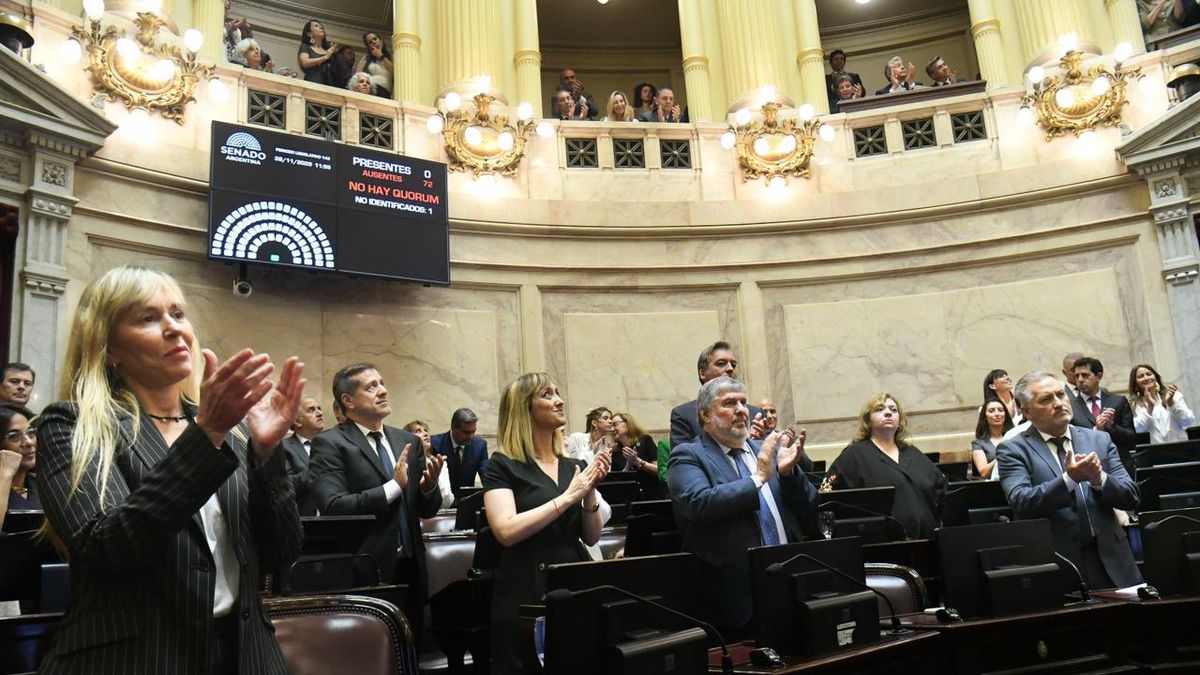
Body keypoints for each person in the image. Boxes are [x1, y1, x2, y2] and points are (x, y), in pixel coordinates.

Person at [36, 265, 304, 674]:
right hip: (130, 660)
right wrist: (207, 432)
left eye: (178, 314)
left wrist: (268, 455)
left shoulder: (231, 430)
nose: (174, 329)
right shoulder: (70, 424)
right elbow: (107, 547)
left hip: (243, 656)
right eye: (147, 318)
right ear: (108, 347)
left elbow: (280, 553)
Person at [667, 376, 817, 635]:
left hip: (789, 581)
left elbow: (810, 506)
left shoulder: (767, 450)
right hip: (734, 595)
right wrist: (756, 478)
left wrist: (788, 475)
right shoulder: (688, 456)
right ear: (705, 415)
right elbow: (698, 504)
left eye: (743, 402)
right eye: (728, 403)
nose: (740, 409)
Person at [483, 372, 611, 673]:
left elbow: (591, 538)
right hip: (524, 588)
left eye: (558, 392)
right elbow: (506, 531)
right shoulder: (502, 465)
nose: (560, 400)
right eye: (548, 394)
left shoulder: (573, 465)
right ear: (524, 408)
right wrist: (569, 497)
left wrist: (590, 488)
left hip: (570, 585)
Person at [310, 362, 443, 641]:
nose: (383, 391)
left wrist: (429, 488)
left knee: (412, 650)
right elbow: (334, 507)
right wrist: (393, 487)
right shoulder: (330, 443)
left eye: (382, 383)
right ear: (348, 401)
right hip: (365, 570)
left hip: (411, 566)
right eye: (371, 387)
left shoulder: (407, 441)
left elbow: (425, 508)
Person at [998, 370, 1141, 590]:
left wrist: (1099, 479)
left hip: (1115, 562)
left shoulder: (1099, 439)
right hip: (1058, 565)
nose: (1058, 403)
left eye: (1061, 395)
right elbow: (1021, 502)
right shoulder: (1014, 449)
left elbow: (1131, 496)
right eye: (1046, 399)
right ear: (1026, 411)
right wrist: (1069, 479)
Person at [827, 393, 946, 539]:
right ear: (868, 420)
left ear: (900, 421)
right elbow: (831, 496)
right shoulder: (854, 455)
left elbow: (941, 488)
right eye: (879, 409)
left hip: (927, 543)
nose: (888, 412)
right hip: (882, 545)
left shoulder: (911, 452)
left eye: (893, 410)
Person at [669, 341, 761, 449]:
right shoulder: (684, 415)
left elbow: (774, 459)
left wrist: (763, 442)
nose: (730, 368)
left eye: (733, 365)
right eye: (721, 363)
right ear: (702, 373)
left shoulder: (756, 414)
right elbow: (683, 460)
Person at [1070, 356, 1137, 472]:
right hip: (1088, 470)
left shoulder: (1118, 401)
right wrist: (1096, 430)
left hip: (1121, 468)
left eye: (1085, 375)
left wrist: (1111, 427)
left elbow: (1132, 439)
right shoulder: (1069, 406)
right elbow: (1070, 441)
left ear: (1099, 376)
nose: (1080, 380)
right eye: (1077, 376)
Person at [430, 407, 489, 499]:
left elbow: (486, 475)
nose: (471, 436)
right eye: (466, 432)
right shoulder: (434, 444)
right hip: (440, 503)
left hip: (466, 503)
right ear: (453, 427)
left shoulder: (479, 446)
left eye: (473, 431)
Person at [1129, 363, 1195, 444]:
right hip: (1153, 451)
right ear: (1135, 383)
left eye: (1149, 374)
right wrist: (1149, 408)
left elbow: (1188, 421)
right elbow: (1137, 430)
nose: (1146, 378)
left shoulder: (1174, 396)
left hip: (1180, 447)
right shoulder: (1133, 405)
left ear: (1155, 377)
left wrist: (1171, 403)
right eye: (1141, 376)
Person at [282, 396, 324, 515]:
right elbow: (284, 485)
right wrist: (317, 470)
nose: (320, 413)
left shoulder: (332, 445)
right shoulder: (283, 448)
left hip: (337, 521)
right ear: (297, 421)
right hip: (304, 523)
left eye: (319, 408)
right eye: (311, 410)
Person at [405, 420, 455, 508]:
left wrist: (436, 478)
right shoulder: (405, 464)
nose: (426, 434)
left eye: (425, 430)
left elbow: (448, 501)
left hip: (439, 515)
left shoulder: (439, 463)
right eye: (418, 431)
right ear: (407, 437)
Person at [0, 403, 37, 510]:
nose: (29, 442)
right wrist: (6, 475)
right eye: (14, 436)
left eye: (30, 433)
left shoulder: (42, 484)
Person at [971, 399, 1013, 480]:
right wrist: (1002, 455)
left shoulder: (1014, 436)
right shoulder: (978, 444)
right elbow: (984, 472)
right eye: (991, 411)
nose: (997, 414)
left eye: (1000, 410)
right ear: (985, 417)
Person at [612, 411, 657, 478]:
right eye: (611, 426)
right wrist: (627, 467)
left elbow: (659, 470)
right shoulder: (616, 452)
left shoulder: (645, 440)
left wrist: (638, 461)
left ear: (627, 423)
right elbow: (616, 480)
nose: (612, 429)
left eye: (615, 424)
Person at [297, 20, 338, 86]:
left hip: (329, 87)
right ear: (309, 34)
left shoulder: (329, 50)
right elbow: (305, 62)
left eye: (321, 26)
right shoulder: (306, 47)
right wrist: (325, 57)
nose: (321, 28)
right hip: (311, 84)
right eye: (316, 26)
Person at [356, 31, 393, 98]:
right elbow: (357, 76)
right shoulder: (366, 58)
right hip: (370, 92)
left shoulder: (390, 57)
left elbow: (395, 72)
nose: (373, 42)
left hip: (385, 93)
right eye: (370, 42)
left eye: (375, 39)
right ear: (369, 47)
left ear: (380, 40)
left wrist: (380, 55)